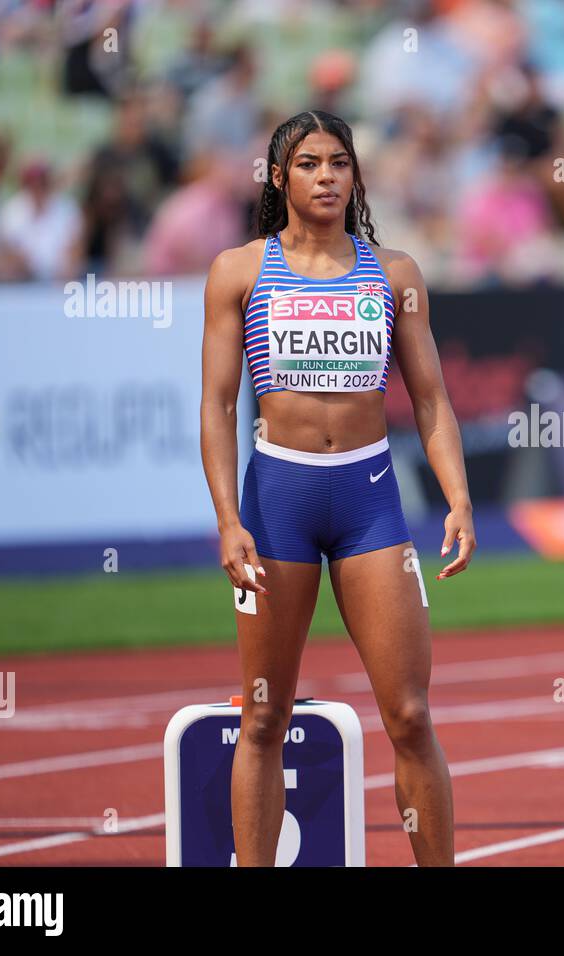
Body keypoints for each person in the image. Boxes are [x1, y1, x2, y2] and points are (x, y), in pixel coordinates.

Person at [200, 110, 475, 866]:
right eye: (310, 163)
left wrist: (457, 496)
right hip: (277, 499)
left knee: (412, 715)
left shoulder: (395, 273)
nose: (327, 177)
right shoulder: (239, 270)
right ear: (279, 176)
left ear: (357, 176)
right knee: (263, 717)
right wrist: (227, 520)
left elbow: (430, 401)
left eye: (340, 163)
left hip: (370, 498)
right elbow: (219, 404)